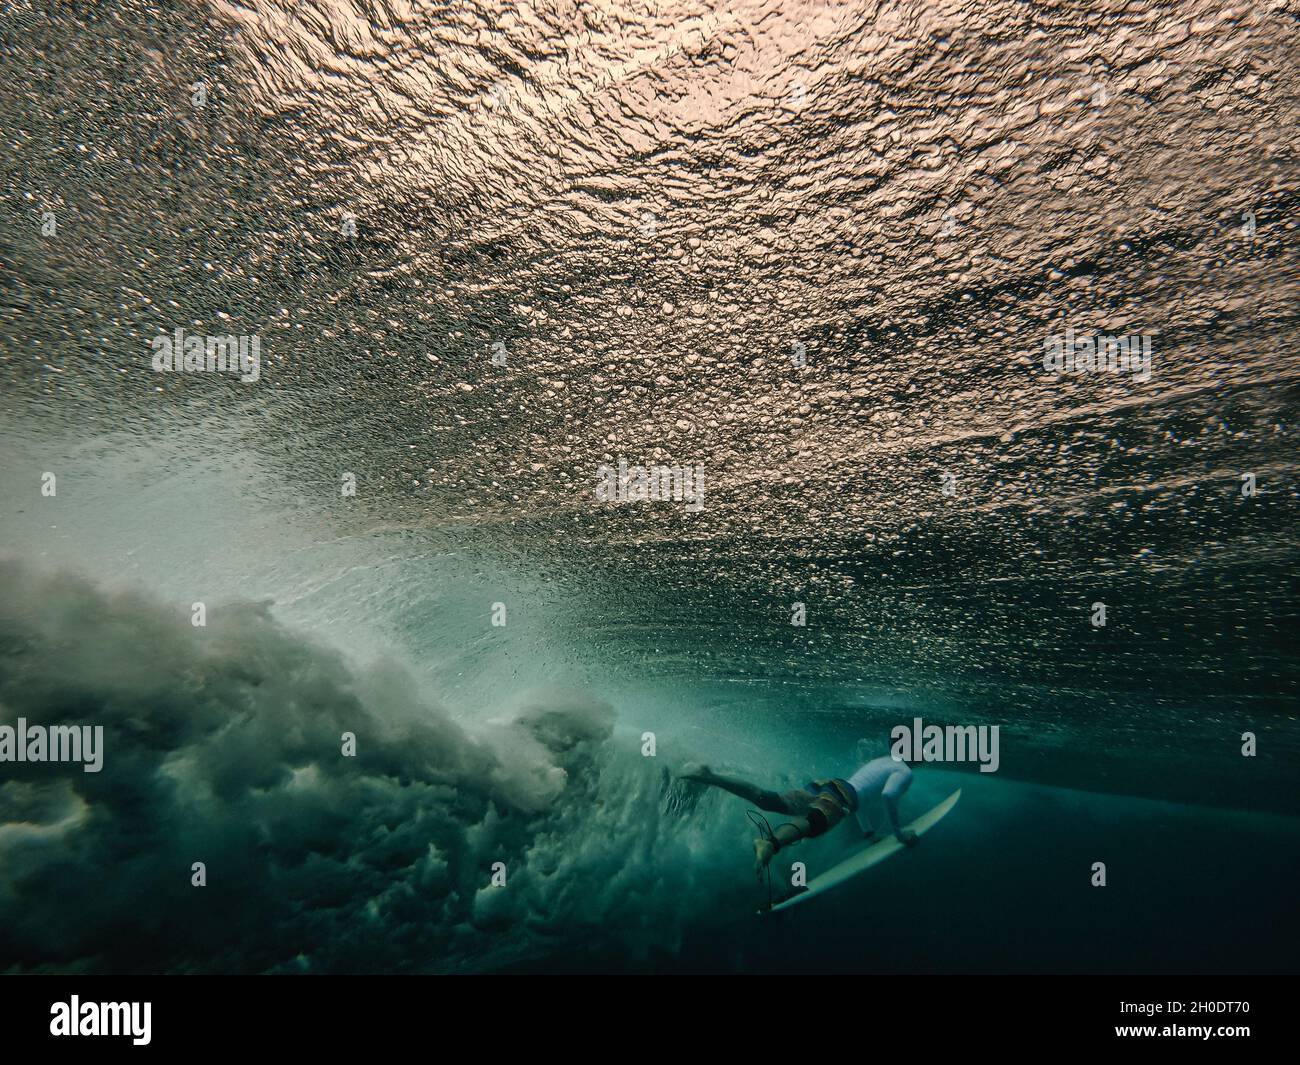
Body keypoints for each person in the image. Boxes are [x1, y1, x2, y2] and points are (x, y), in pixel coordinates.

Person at [679, 754, 917, 878]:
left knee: (771, 801)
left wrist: (868, 832)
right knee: (813, 824)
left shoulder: (885, 760)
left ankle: (711, 777)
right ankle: (769, 844)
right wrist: (900, 834)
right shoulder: (904, 770)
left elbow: (862, 795)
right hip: (843, 796)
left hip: (828, 785)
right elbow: (887, 795)